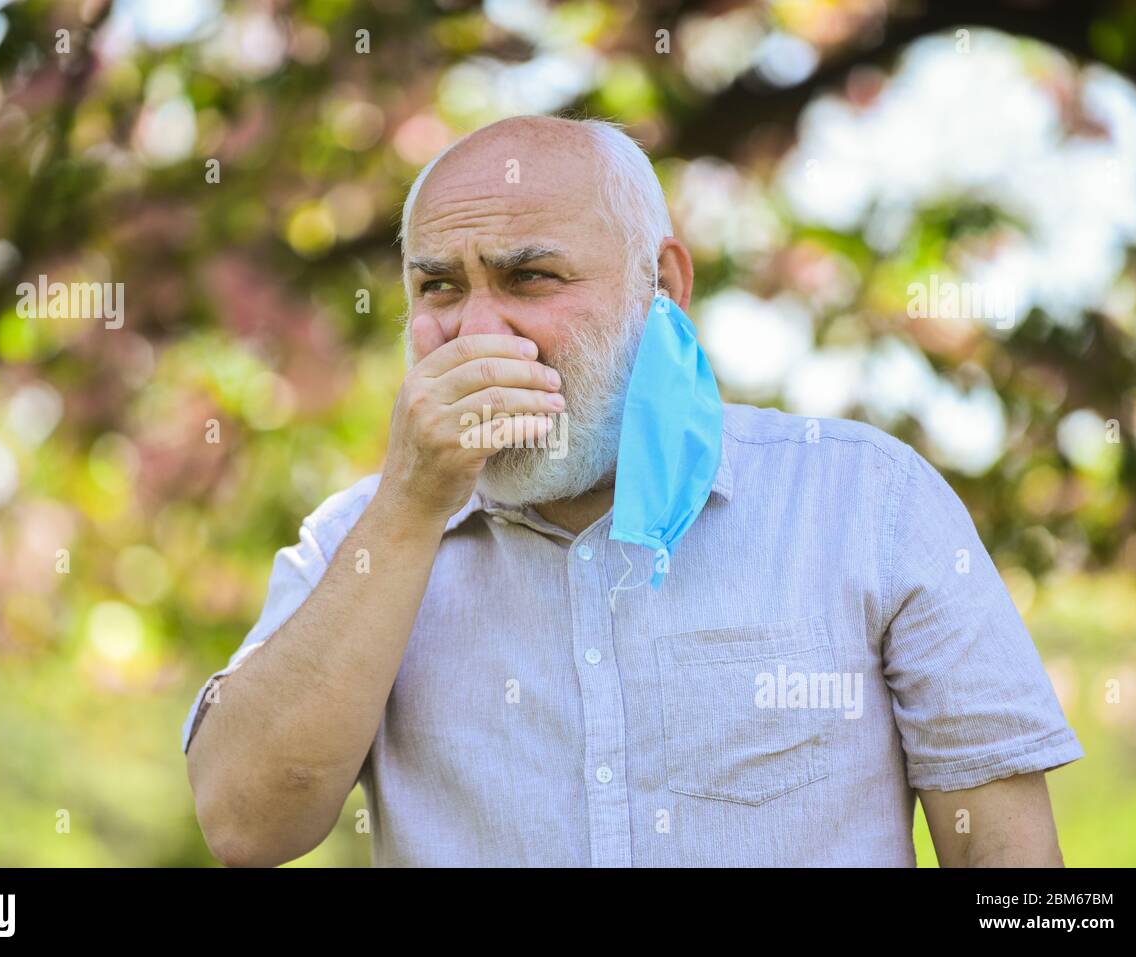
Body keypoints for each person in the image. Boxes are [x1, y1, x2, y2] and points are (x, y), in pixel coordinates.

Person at [183, 115, 1082, 867]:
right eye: (440, 287)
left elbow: (1008, 867)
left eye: (530, 276)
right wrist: (413, 506)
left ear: (665, 285)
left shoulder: (871, 503)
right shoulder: (360, 537)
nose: (478, 330)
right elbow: (246, 823)